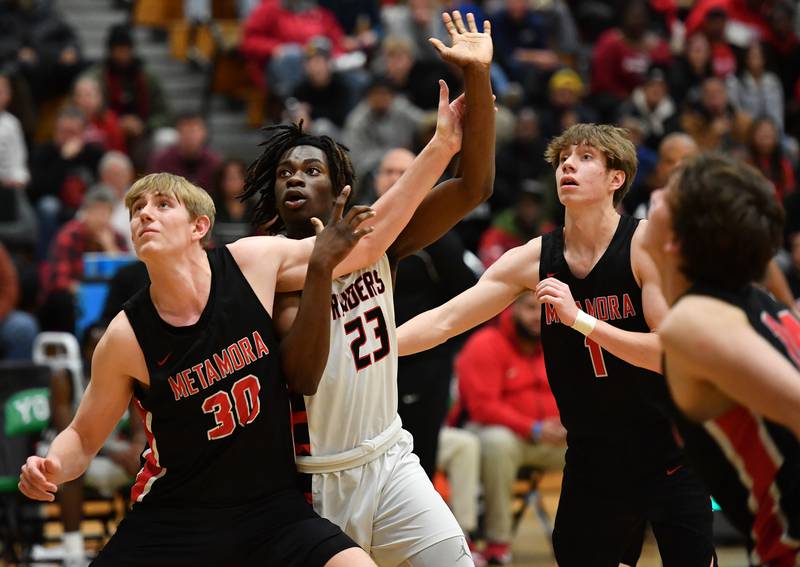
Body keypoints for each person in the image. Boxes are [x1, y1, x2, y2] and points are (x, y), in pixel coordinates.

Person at [19, 166, 446, 566]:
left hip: (272, 511)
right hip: (174, 519)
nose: (145, 214)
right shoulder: (125, 336)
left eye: (162, 204)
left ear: (199, 227)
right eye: (136, 210)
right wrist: (52, 464)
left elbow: (365, 245)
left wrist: (442, 145)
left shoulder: (250, 264)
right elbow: (83, 436)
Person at [397, 122, 716, 566]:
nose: (568, 165)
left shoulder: (645, 245)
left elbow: (670, 354)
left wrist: (580, 320)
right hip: (592, 456)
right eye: (564, 159)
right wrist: (375, 349)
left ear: (616, 178)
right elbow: (446, 320)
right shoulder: (535, 257)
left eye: (585, 158)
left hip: (669, 449)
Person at [249, 11, 495, 566]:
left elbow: (474, 185)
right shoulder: (268, 270)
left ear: (340, 187)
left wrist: (477, 79)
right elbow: (301, 376)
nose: (295, 177)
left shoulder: (381, 243)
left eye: (311, 170)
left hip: (389, 458)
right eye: (285, 173)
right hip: (312, 482)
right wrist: (320, 270)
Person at [644, 153, 800, 567]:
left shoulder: (694, 322)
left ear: (676, 240)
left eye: (668, 195)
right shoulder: (754, 302)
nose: (656, 193)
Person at [454, 292, 566, 564]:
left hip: (552, 440)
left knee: (596, 443)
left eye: (543, 309)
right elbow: (483, 407)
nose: (537, 317)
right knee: (498, 442)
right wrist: (533, 428)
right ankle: (498, 541)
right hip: (498, 436)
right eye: (529, 308)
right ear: (511, 308)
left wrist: (569, 424)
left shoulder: (557, 342)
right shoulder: (485, 343)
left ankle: (591, 536)